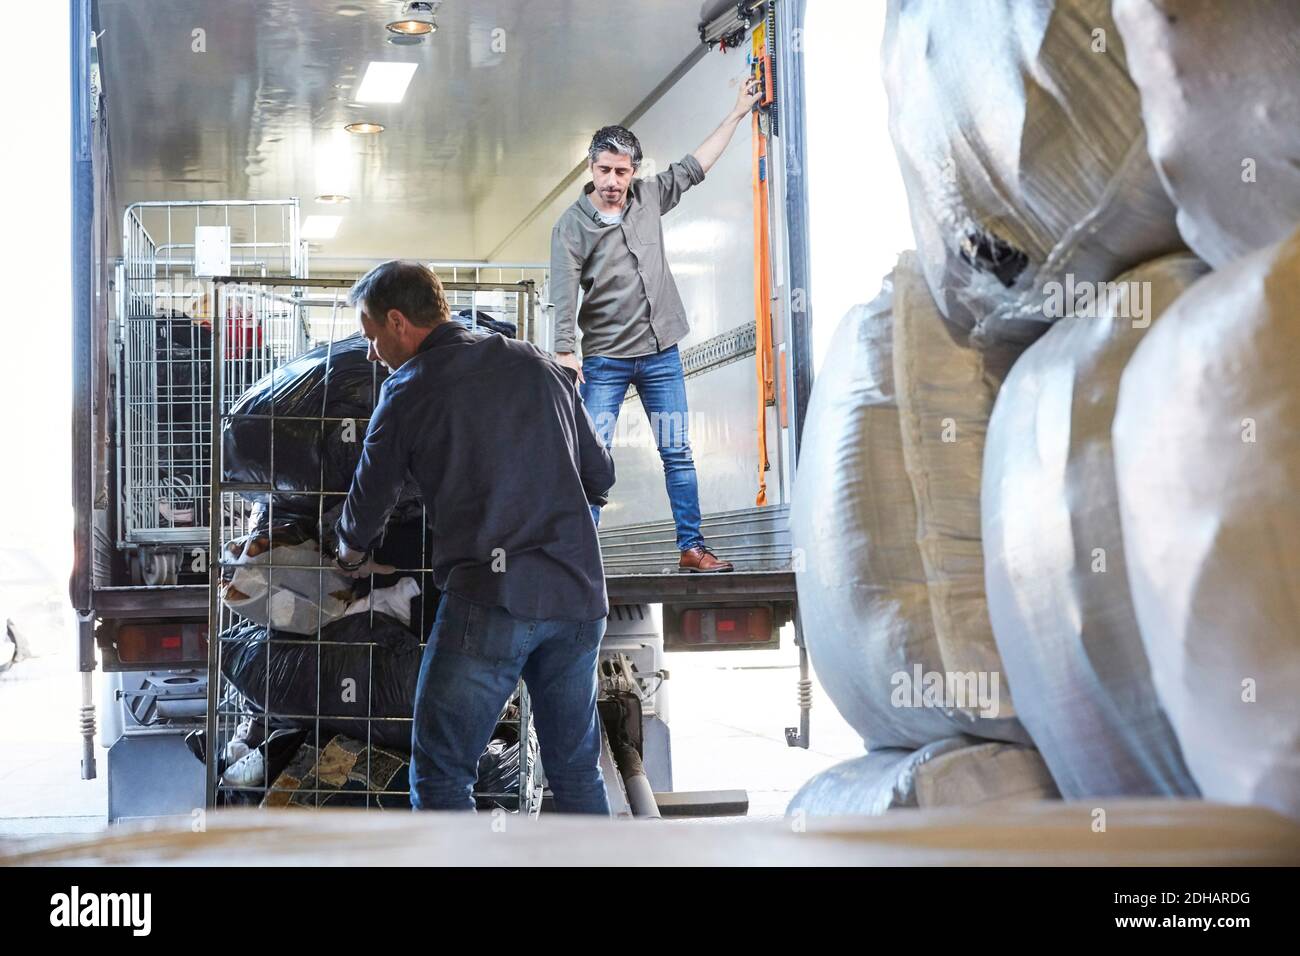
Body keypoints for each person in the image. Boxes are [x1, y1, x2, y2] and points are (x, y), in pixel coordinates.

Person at [334, 260, 615, 814]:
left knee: (441, 775)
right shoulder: (537, 363)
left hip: (492, 603)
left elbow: (371, 496)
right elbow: (600, 476)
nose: (370, 354)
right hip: (579, 599)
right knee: (577, 770)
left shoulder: (407, 389)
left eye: (371, 336)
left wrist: (349, 552)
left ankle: (456, 853)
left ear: (397, 322)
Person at [549, 76, 763, 573]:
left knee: (678, 452)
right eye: (604, 170)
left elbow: (696, 166)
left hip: (661, 355)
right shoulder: (570, 226)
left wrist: (737, 112)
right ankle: (578, 561)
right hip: (605, 361)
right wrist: (564, 352)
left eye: (621, 171)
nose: (612, 181)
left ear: (634, 171)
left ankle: (692, 547)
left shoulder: (649, 197)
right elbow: (562, 293)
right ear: (590, 167)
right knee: (592, 461)